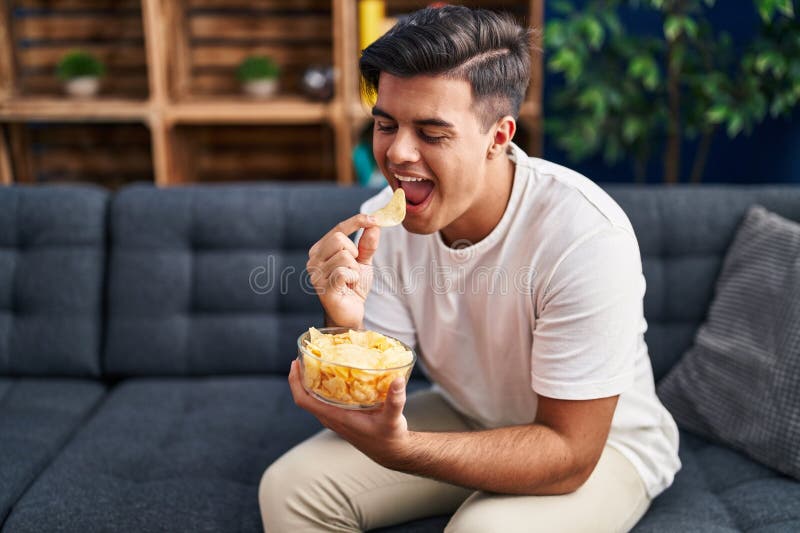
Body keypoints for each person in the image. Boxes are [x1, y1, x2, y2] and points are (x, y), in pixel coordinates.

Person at [259, 6, 680, 532]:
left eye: (432, 133)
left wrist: (405, 451)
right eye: (386, 125)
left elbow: (570, 452)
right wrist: (348, 328)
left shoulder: (584, 235)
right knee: (290, 489)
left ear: (498, 137)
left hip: (601, 445)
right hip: (469, 413)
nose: (398, 153)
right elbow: (378, 401)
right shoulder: (384, 224)